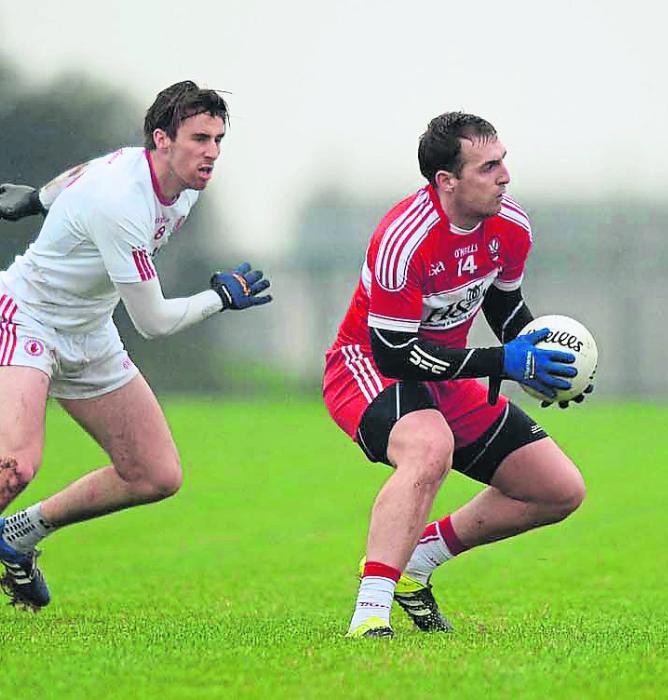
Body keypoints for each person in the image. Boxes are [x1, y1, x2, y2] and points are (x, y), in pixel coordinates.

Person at [0, 80, 273, 610]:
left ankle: (16, 537)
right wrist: (219, 298)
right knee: (16, 464)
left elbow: (78, 176)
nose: (212, 153)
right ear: (162, 139)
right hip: (27, 317)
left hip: (90, 331)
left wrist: (36, 198)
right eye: (199, 138)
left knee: (154, 475)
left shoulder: (179, 183)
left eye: (219, 139)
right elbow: (154, 322)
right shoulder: (122, 203)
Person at [323, 111, 590, 638]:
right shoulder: (404, 240)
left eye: (503, 162)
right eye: (489, 167)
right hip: (369, 367)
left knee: (558, 489)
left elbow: (504, 305)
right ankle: (370, 615)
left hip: (446, 371)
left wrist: (548, 361)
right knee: (429, 446)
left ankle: (417, 560)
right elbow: (396, 353)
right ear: (447, 181)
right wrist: (503, 362)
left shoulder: (510, 224)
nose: (505, 176)